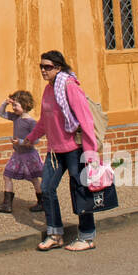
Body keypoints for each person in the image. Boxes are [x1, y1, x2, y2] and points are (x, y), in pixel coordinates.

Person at [26, 50, 100, 252]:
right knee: (47, 189)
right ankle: (55, 233)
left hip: (74, 149)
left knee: (80, 190)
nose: (43, 70)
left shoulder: (69, 87)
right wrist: (30, 138)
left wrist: (91, 151)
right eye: (41, 66)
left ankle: (86, 236)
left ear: (58, 67)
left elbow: (85, 119)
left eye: (47, 67)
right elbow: (44, 120)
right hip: (54, 150)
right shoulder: (49, 90)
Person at [0, 90, 44, 213]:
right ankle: (7, 204)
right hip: (18, 155)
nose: (13, 108)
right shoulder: (16, 117)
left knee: (34, 179)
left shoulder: (31, 123)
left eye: (16, 105)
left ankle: (42, 202)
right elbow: (1, 113)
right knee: (7, 175)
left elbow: (35, 141)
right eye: (13, 105)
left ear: (25, 105)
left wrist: (20, 142)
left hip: (29, 156)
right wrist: (5, 103)